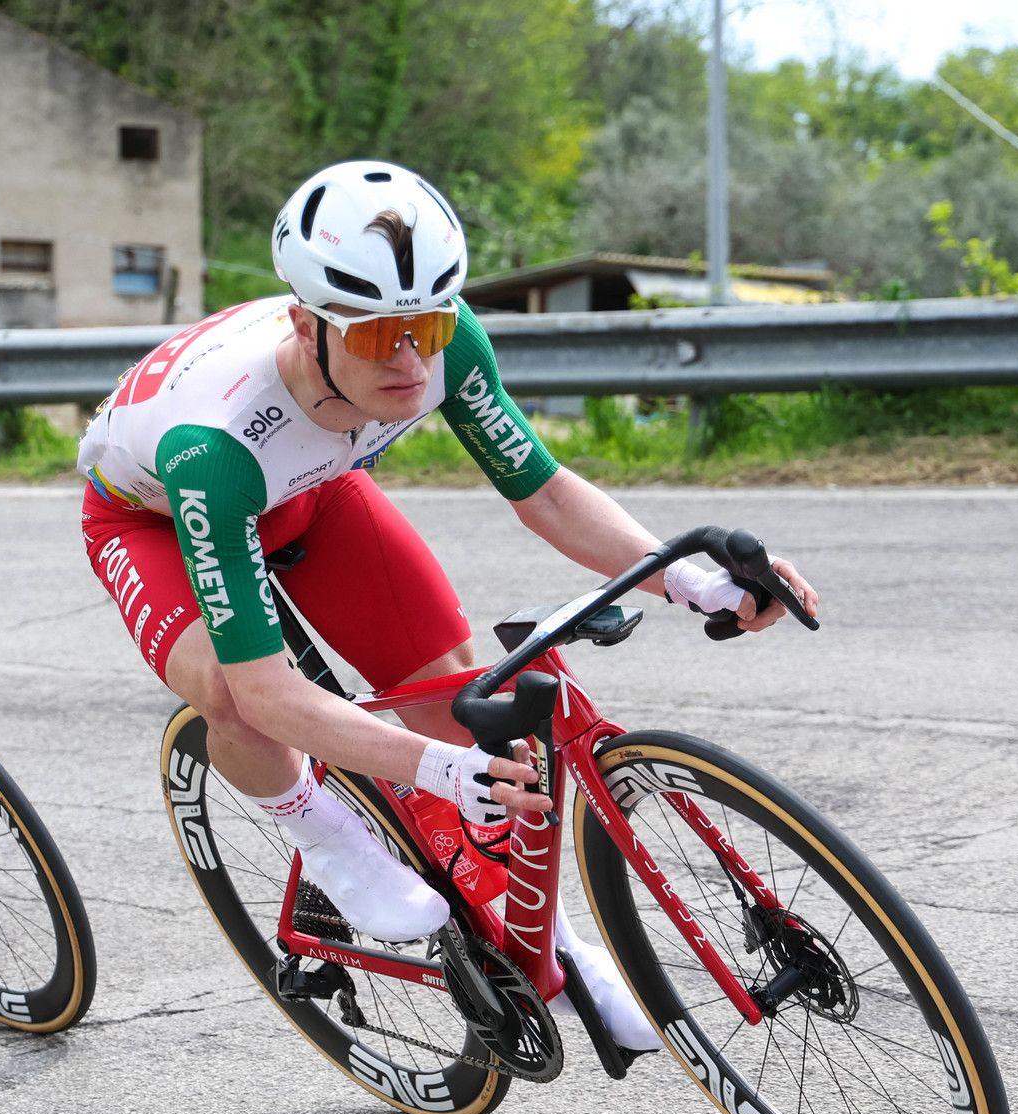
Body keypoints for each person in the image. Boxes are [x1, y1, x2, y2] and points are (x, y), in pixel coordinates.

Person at [78, 161, 818, 1051]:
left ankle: (557, 945)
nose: (409, 358)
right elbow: (273, 694)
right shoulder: (217, 443)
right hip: (154, 520)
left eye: (425, 325)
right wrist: (436, 772)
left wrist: (689, 575)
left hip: (315, 491)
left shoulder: (446, 343)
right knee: (237, 697)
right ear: (308, 324)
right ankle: (324, 834)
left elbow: (543, 493)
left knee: (447, 692)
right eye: (378, 333)